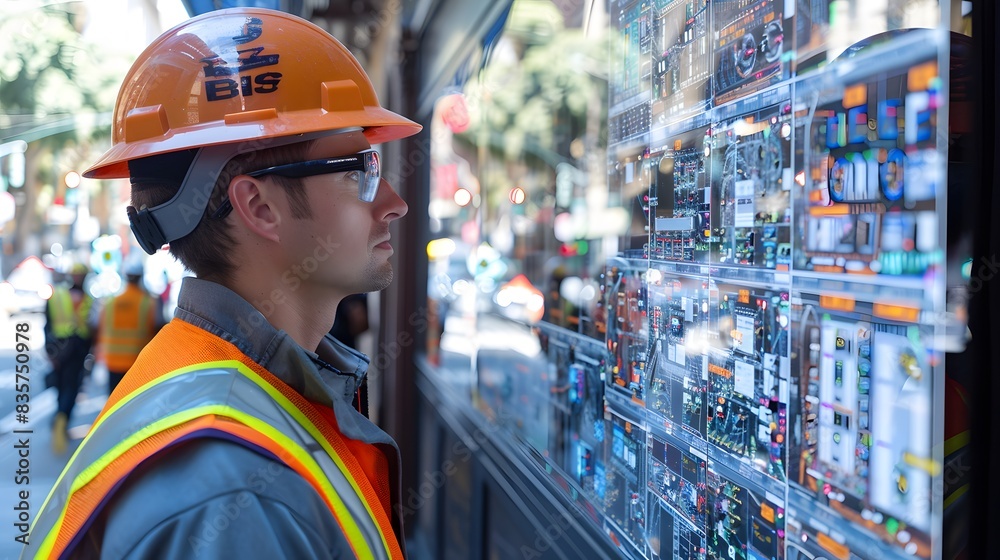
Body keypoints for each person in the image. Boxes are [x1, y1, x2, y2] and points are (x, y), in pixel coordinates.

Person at [23, 7, 419, 559]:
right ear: (258, 206)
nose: (394, 204)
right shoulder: (234, 495)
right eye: (361, 171)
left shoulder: (229, 394)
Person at [43, 262, 95, 455]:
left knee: (66, 387)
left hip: (70, 351)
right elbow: (48, 324)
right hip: (68, 350)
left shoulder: (85, 299)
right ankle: (61, 420)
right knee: (67, 388)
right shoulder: (63, 297)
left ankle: (60, 421)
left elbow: (92, 328)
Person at [96, 260, 162, 394]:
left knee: (114, 403)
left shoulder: (110, 302)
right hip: (137, 363)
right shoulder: (148, 302)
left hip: (112, 361)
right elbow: (158, 329)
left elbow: (99, 328)